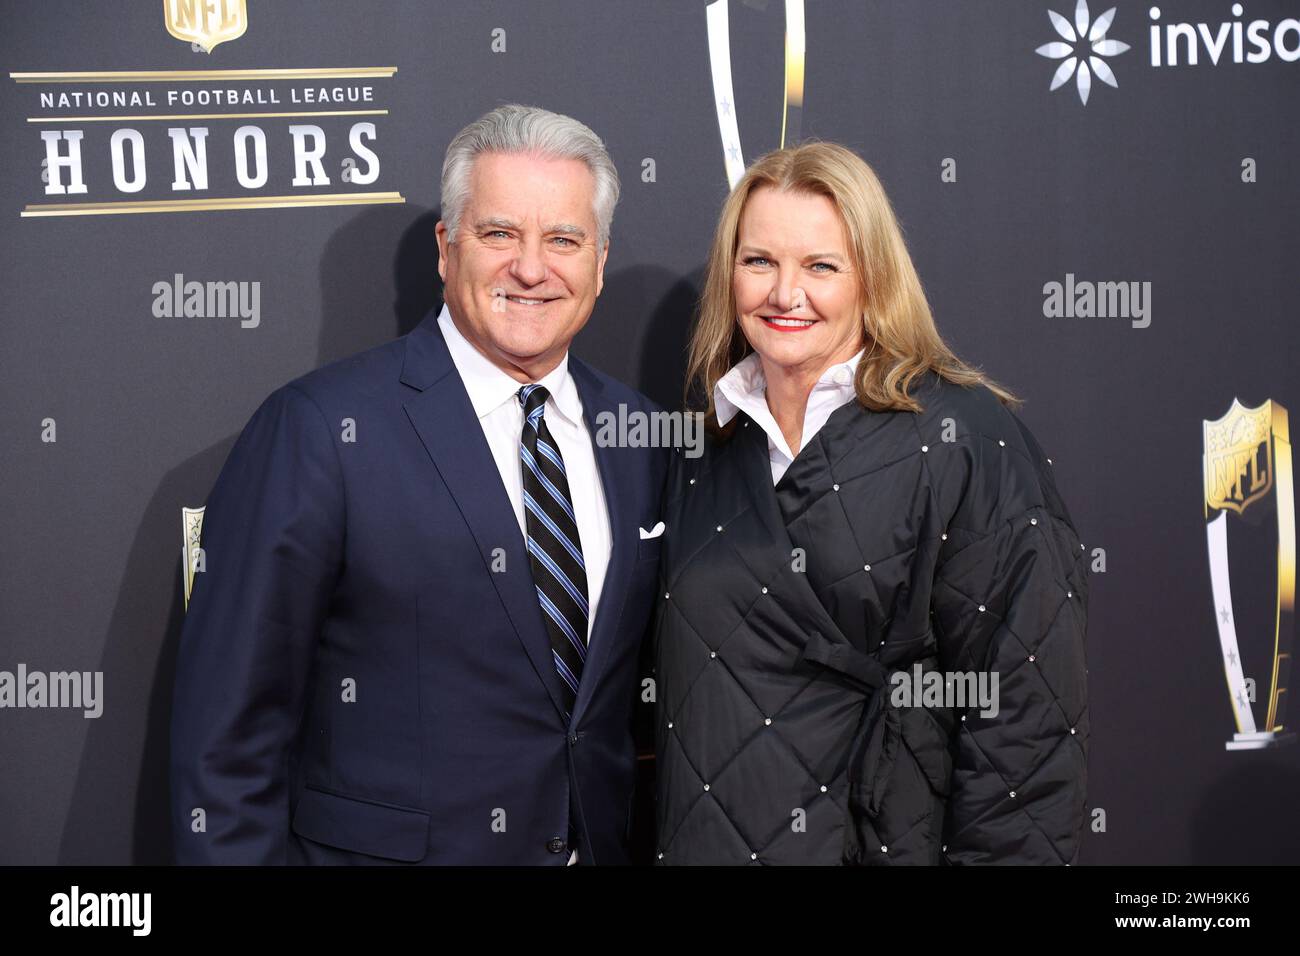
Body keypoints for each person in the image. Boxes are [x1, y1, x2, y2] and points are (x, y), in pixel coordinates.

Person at [171, 104, 669, 865]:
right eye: (499, 233)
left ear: (598, 261)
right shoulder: (317, 431)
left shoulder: (637, 436)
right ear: (447, 248)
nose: (531, 268)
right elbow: (226, 744)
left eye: (563, 240)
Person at [652, 142, 1088, 865]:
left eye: (821, 266)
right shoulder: (704, 446)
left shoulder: (965, 438)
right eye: (759, 261)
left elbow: (1027, 725)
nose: (785, 294)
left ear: (872, 278)